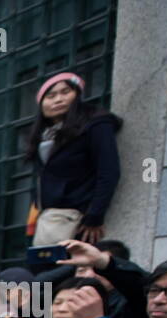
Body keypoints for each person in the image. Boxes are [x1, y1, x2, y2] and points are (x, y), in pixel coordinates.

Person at [27, 71, 122, 245]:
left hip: (78, 220)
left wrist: (94, 216)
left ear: (77, 95)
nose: (58, 100)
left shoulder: (96, 123)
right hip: (50, 220)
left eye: (65, 92)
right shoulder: (43, 136)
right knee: (43, 267)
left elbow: (108, 171)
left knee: (69, 268)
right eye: (50, 96)